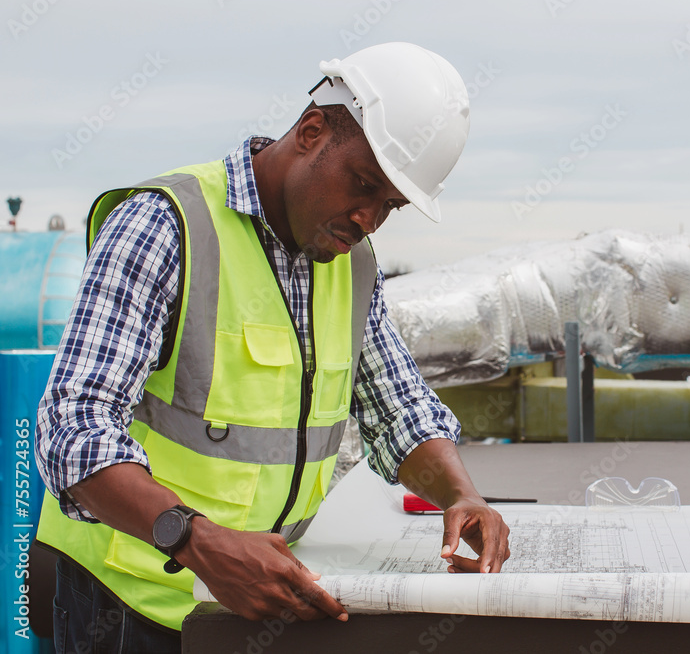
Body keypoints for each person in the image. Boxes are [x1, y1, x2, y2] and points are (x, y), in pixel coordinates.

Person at [34, 42, 510, 653]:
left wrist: (461, 496)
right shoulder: (165, 227)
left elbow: (401, 409)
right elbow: (72, 429)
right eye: (364, 185)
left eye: (389, 206)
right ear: (312, 131)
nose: (368, 218)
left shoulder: (353, 263)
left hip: (260, 603)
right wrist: (197, 542)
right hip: (132, 606)